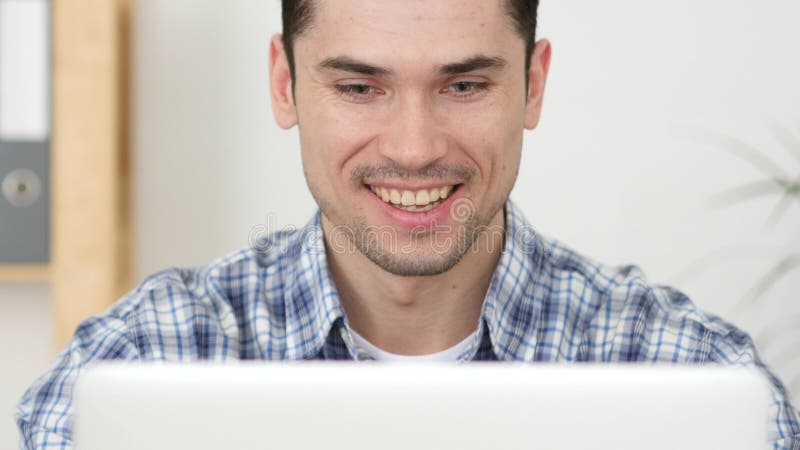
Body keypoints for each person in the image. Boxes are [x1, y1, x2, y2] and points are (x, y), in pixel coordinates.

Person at [16, 0, 800, 448]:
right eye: (360, 88)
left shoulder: (689, 378)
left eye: (463, 85)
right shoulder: (141, 363)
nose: (414, 148)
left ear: (532, 85)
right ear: (285, 86)